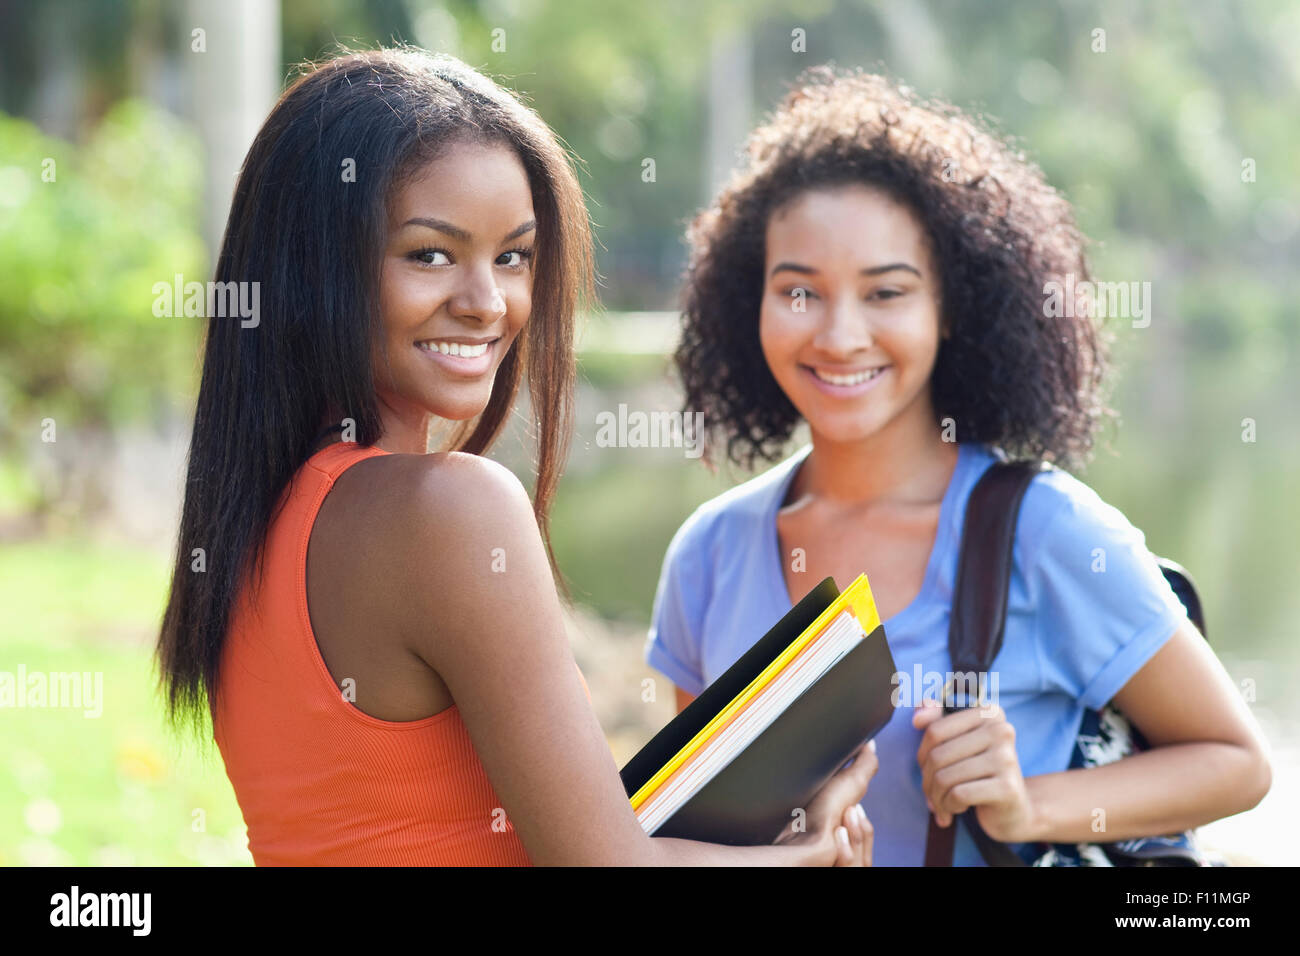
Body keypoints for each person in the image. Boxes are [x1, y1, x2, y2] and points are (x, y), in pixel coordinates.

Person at [155, 48, 876, 866]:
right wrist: (812, 850)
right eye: (430, 254)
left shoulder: (257, 522)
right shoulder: (446, 510)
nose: (487, 303)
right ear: (314, 265)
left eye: (513, 257)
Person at [647, 66, 1271, 866]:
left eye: (886, 293)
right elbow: (689, 838)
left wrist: (1027, 804)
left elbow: (1237, 762)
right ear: (749, 302)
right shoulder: (707, 555)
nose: (839, 335)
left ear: (951, 309)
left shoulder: (1048, 531)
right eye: (799, 292)